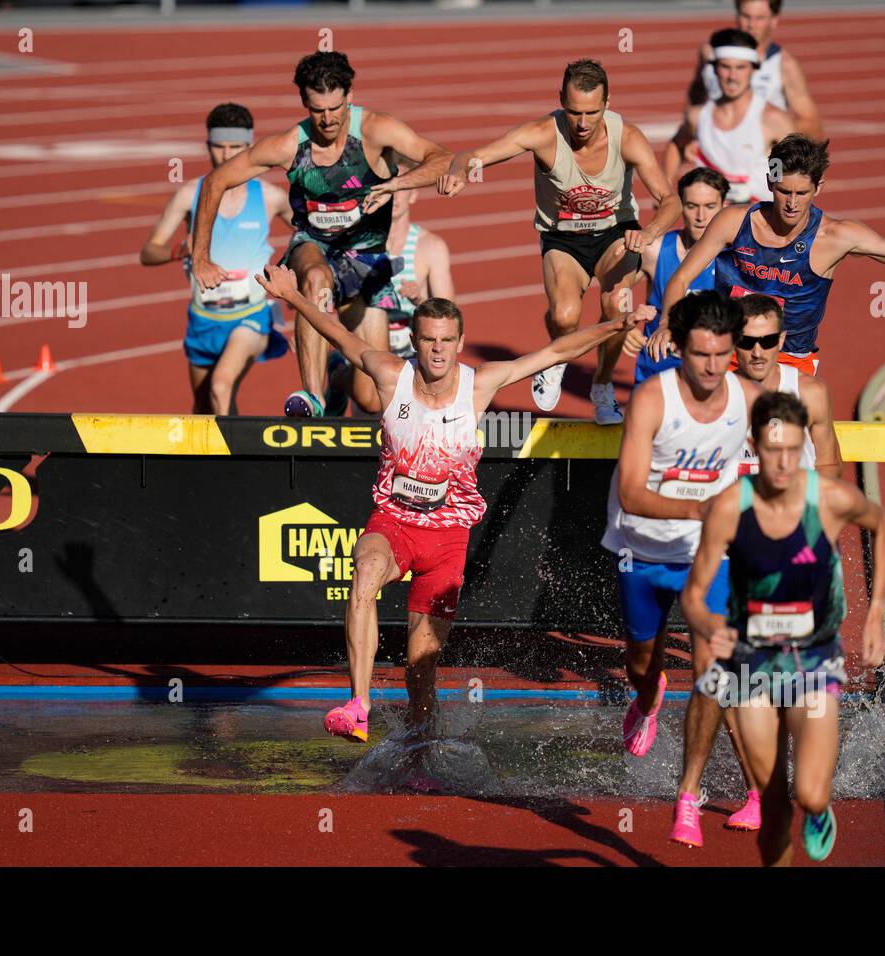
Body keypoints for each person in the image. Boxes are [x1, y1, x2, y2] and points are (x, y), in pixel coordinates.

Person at [256, 265, 648, 743]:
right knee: (364, 574)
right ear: (415, 342)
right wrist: (294, 297)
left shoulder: (479, 384)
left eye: (446, 340)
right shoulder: (389, 375)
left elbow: (555, 351)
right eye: (428, 339)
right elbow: (338, 333)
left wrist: (616, 326)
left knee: (421, 666)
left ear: (459, 343)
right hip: (393, 522)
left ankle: (420, 753)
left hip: (447, 538)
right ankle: (358, 705)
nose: (437, 349)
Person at [681, 390, 885, 865]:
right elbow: (693, 593)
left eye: (793, 451)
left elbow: (881, 524)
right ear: (753, 444)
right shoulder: (730, 506)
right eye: (772, 450)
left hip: (814, 661)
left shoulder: (830, 498)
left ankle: (819, 810)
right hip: (753, 664)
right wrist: (708, 624)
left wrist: (875, 611)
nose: (782, 463)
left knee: (811, 794)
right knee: (773, 805)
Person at [192, 51, 451, 418]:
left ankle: (338, 377)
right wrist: (201, 256)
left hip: (365, 259)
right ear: (304, 103)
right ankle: (313, 397)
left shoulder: (377, 131)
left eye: (335, 108)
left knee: (373, 397)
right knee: (314, 277)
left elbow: (440, 156)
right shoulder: (288, 145)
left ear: (349, 96)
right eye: (317, 110)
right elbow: (215, 182)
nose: (327, 119)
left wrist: (396, 184)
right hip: (313, 245)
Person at [602, 290, 765, 845]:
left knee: (714, 671)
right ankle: (647, 700)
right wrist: (702, 505)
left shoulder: (747, 398)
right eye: (702, 357)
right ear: (680, 350)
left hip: (705, 553)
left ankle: (688, 796)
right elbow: (629, 493)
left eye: (724, 355)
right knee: (640, 661)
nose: (713, 368)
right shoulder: (654, 399)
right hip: (641, 550)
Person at [439, 59, 680, 424]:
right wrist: (459, 171)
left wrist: (649, 233)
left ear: (607, 104)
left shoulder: (626, 138)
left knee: (617, 304)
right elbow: (474, 155)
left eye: (592, 113)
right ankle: (555, 359)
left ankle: (601, 386)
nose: (582, 124)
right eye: (574, 112)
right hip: (563, 240)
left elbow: (670, 199)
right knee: (565, 316)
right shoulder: (542, 133)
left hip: (617, 235)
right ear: (560, 102)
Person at [652, 134, 885, 376]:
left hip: (789, 361)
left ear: (819, 188)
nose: (792, 203)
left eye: (802, 193)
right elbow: (682, 276)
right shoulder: (733, 221)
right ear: (770, 182)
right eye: (784, 191)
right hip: (726, 353)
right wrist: (667, 322)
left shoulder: (837, 236)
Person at [139, 103, 292, 414]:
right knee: (203, 407)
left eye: (235, 148)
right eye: (219, 147)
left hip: (250, 317)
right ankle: (217, 460)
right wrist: (180, 251)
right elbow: (148, 252)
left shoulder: (269, 197)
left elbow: (310, 233)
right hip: (204, 319)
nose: (226, 156)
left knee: (221, 387)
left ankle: (232, 464)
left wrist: (294, 269)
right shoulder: (189, 195)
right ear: (207, 146)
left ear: (250, 148)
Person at [665, 0, 823, 184]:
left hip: (757, 162)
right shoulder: (710, 53)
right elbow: (697, 92)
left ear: (774, 20)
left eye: (759, 18)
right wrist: (701, 132)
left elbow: (813, 126)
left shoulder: (784, 64)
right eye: (746, 16)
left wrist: (770, 135)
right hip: (716, 154)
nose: (751, 24)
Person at [663, 28, 794, 205]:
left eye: (740, 67)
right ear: (715, 69)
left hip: (757, 223)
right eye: (725, 67)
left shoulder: (773, 119)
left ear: (753, 69)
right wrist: (666, 192)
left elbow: (793, 170)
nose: (732, 76)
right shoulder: (698, 117)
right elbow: (676, 145)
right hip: (712, 223)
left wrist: (773, 180)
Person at [623, 167, 729, 385]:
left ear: (724, 207)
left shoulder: (735, 257)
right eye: (692, 206)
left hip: (713, 376)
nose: (701, 217)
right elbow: (616, 287)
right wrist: (625, 318)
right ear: (680, 207)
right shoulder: (655, 250)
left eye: (710, 207)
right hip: (657, 373)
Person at [732, 294, 841, 478]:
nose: (757, 353)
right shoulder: (716, 392)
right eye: (747, 341)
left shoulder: (810, 392)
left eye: (768, 341)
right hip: (736, 502)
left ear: (781, 340)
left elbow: (828, 465)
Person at [384, 162, 456, 358]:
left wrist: (420, 301)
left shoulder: (431, 247)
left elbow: (448, 319)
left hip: (413, 354)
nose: (394, 195)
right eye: (389, 186)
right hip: (370, 349)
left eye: (402, 187)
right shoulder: (360, 245)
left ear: (413, 194)